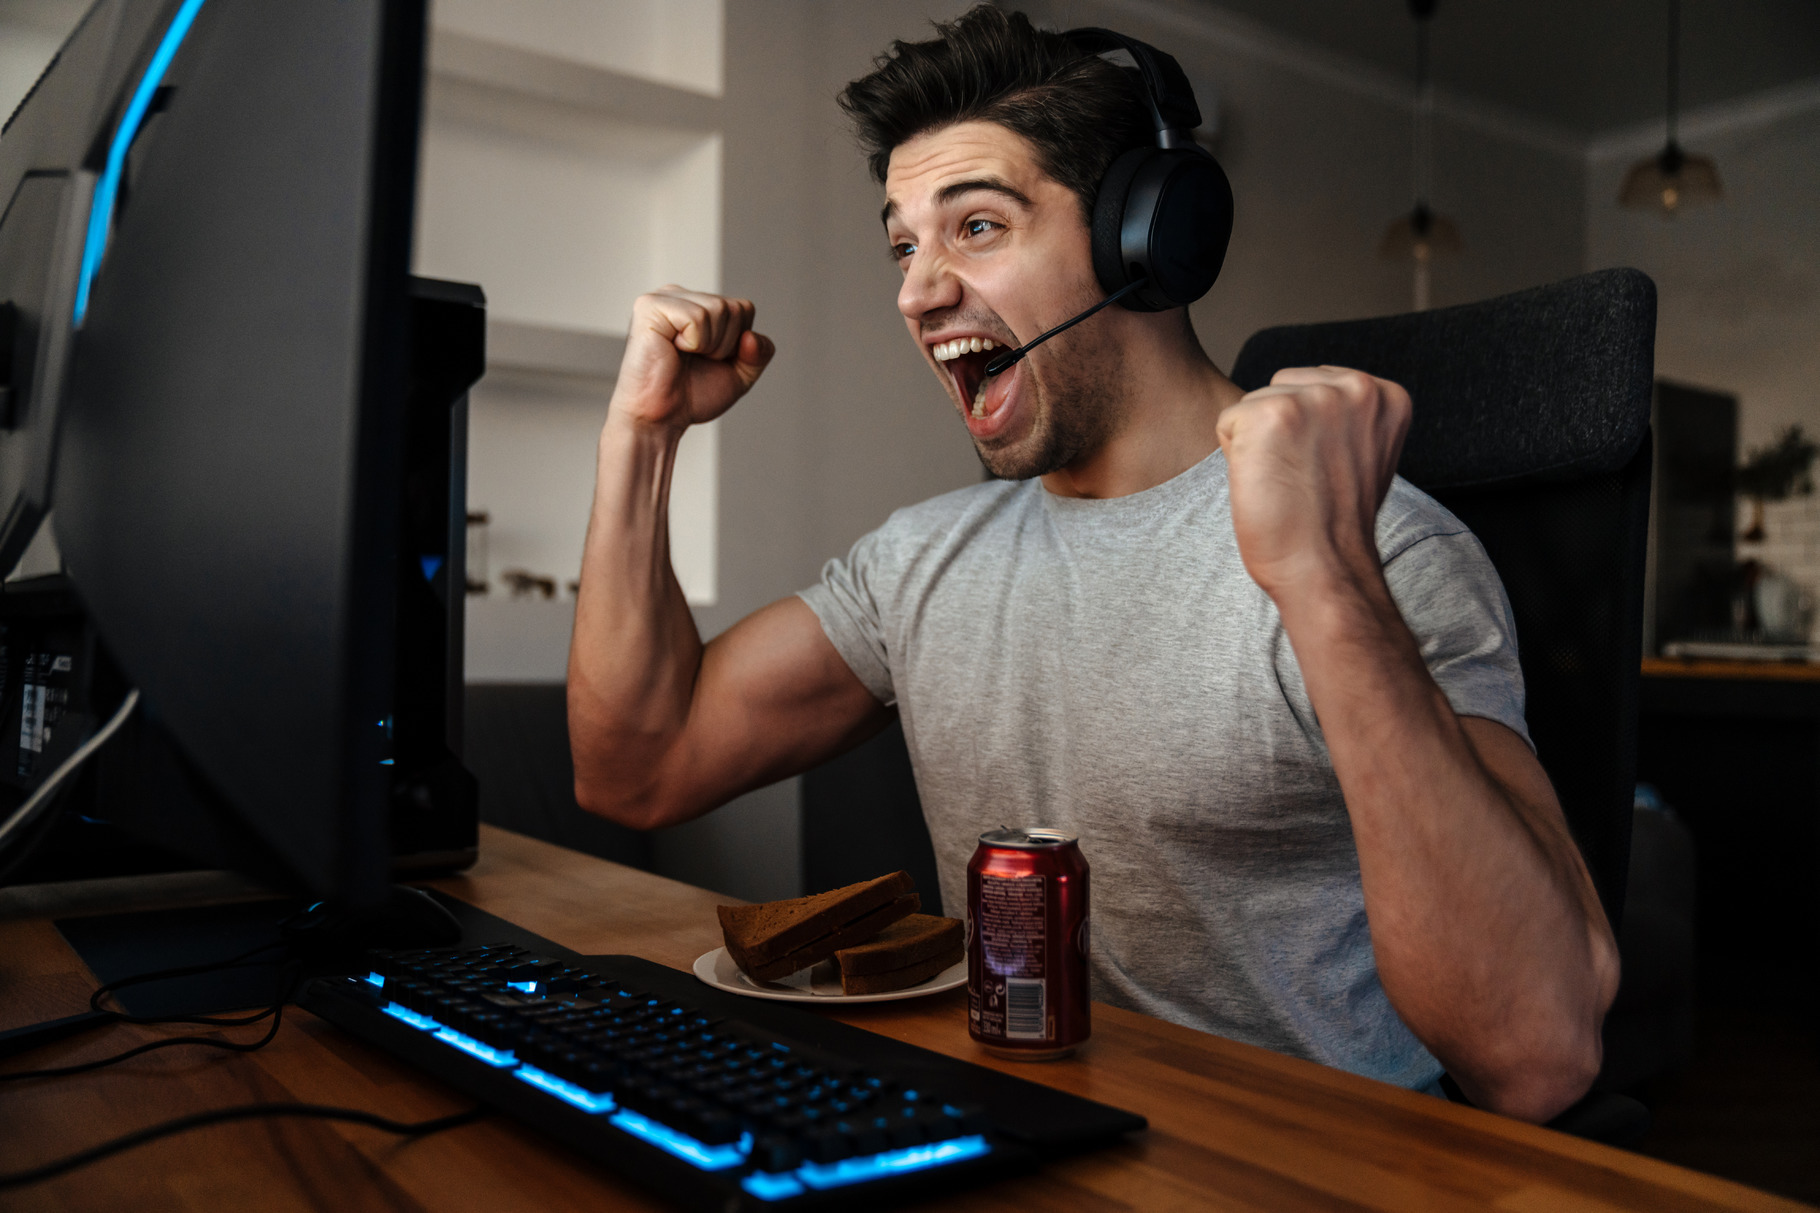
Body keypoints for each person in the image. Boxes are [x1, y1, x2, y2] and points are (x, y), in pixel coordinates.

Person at [567, 7, 1617, 1122]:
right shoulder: (922, 560)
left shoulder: (1378, 546)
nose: (915, 291)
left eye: (975, 226)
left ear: (1145, 241)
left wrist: (1321, 576)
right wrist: (641, 437)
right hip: (1017, 1138)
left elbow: (1534, 1054)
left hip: (1297, 1172)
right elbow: (639, 769)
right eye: (903, 243)